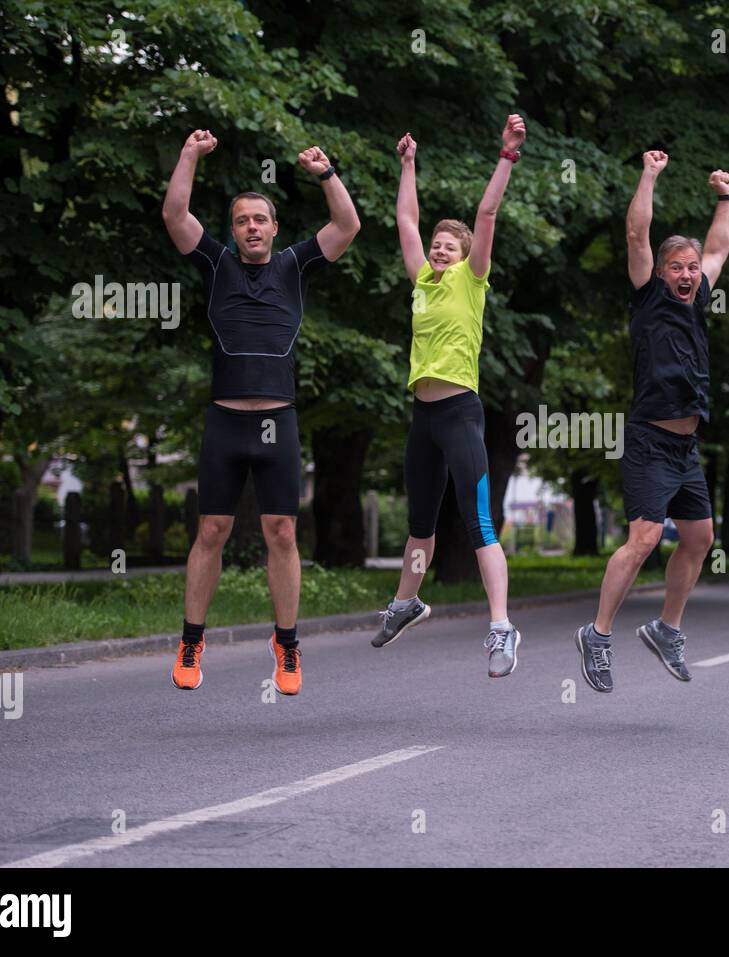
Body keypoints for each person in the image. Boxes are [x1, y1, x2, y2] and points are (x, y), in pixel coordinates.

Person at [162, 128, 360, 694]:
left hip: (279, 421)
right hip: (225, 421)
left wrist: (326, 173)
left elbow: (347, 227)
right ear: (234, 229)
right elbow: (176, 213)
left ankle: (287, 645)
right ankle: (192, 640)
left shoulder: (295, 266)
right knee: (212, 529)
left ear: (275, 228)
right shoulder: (216, 263)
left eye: (261, 219)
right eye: (243, 219)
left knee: (280, 533)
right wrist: (190, 155)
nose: (252, 226)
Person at [573, 150, 729, 693]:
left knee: (699, 538)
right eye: (678, 268)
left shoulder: (698, 300)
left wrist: (726, 197)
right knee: (643, 538)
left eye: (691, 268)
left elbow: (719, 246)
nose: (688, 274)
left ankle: (667, 629)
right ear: (661, 273)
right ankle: (597, 634)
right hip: (648, 438)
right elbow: (637, 233)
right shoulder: (648, 299)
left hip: (686, 447)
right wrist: (649, 174)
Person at [371, 115, 527, 679]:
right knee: (420, 527)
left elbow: (486, 214)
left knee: (478, 521)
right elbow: (405, 219)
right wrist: (408, 165)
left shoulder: (472, 279)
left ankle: (502, 628)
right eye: (436, 244)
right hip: (423, 417)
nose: (438, 248)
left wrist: (506, 155)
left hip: (460, 412)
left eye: (448, 246)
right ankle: (406, 602)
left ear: (465, 256)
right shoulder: (422, 282)